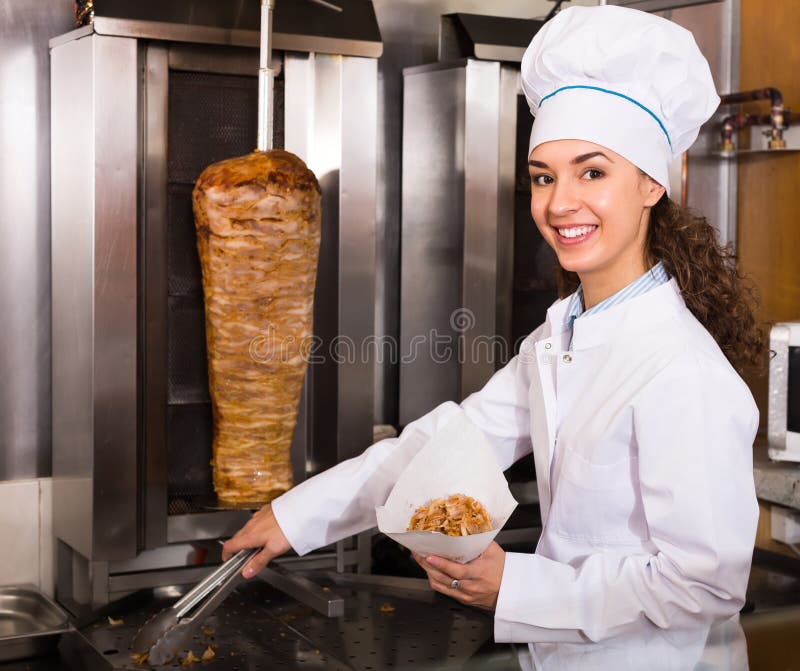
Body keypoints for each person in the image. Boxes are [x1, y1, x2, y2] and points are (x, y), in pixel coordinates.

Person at [223, 5, 764, 644]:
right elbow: (449, 446)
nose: (560, 203)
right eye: (544, 177)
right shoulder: (562, 337)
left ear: (652, 185)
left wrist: (516, 586)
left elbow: (705, 585)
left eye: (592, 172)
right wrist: (295, 516)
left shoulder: (682, 370)